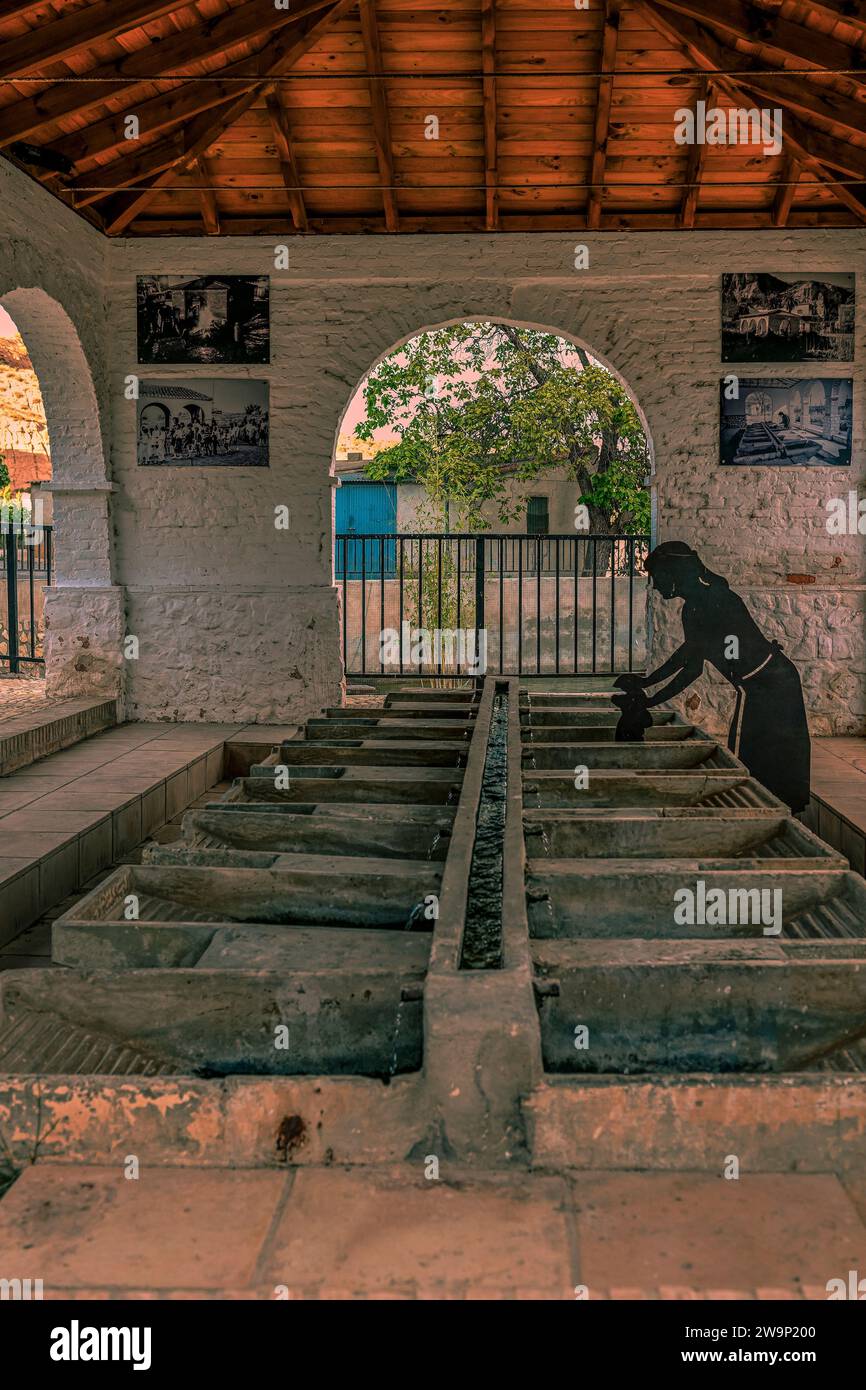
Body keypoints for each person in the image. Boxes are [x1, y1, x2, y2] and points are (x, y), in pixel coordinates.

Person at [625, 540, 810, 812]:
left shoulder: (716, 600)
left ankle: (771, 817)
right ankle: (767, 813)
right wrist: (646, 686)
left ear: (673, 573)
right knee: (755, 756)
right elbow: (688, 659)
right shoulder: (696, 606)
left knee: (750, 754)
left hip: (769, 682)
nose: (654, 585)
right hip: (761, 682)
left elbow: (690, 666)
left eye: (656, 577)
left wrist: (649, 698)